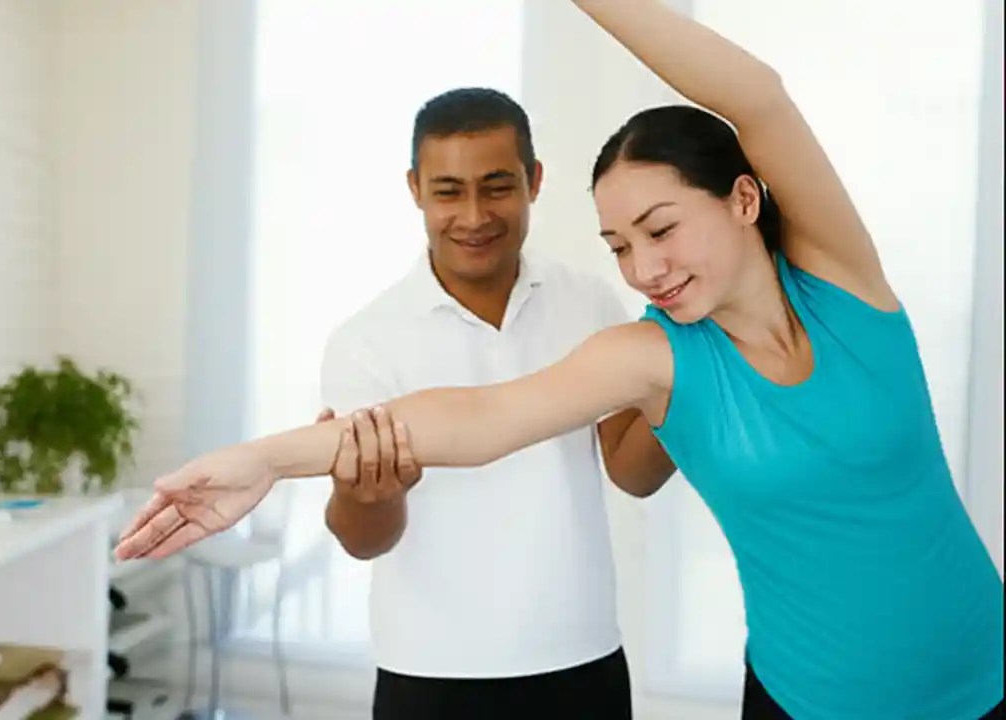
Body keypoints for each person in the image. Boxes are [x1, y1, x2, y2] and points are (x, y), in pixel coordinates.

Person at [117, 1, 1006, 718]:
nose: (645, 269)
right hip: (805, 699)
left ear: (744, 199)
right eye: (620, 246)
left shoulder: (845, 283)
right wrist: (263, 459)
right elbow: (477, 419)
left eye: (660, 229)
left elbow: (759, 97)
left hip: (985, 667)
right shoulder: (653, 355)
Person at [311, 87, 675, 720]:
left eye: (497, 186)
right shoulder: (365, 342)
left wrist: (687, 364)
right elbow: (365, 542)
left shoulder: (588, 301)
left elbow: (633, 472)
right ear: (415, 190)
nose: (474, 216)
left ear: (534, 181)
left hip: (581, 660)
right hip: (429, 673)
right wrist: (363, 494)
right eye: (449, 191)